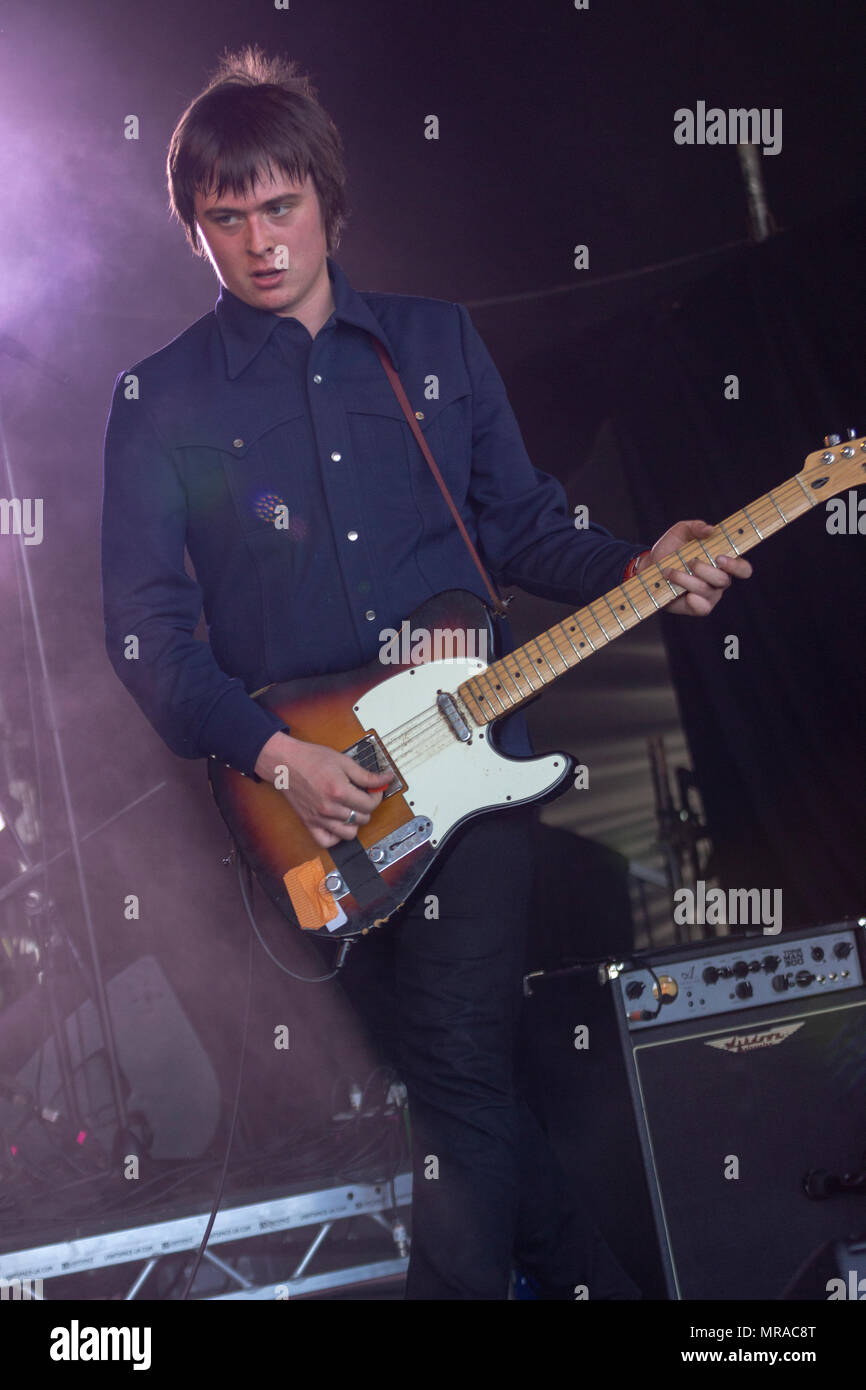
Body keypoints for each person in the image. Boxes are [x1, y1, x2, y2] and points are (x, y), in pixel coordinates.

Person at [100, 44, 752, 1300]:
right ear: (193, 231)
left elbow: (518, 527)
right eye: (224, 220)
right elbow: (141, 628)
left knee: (456, 1082)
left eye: (279, 208)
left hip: (465, 779)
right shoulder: (160, 397)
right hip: (301, 805)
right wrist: (273, 751)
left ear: (328, 203)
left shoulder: (431, 346)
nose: (259, 244)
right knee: (469, 1101)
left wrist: (639, 557)